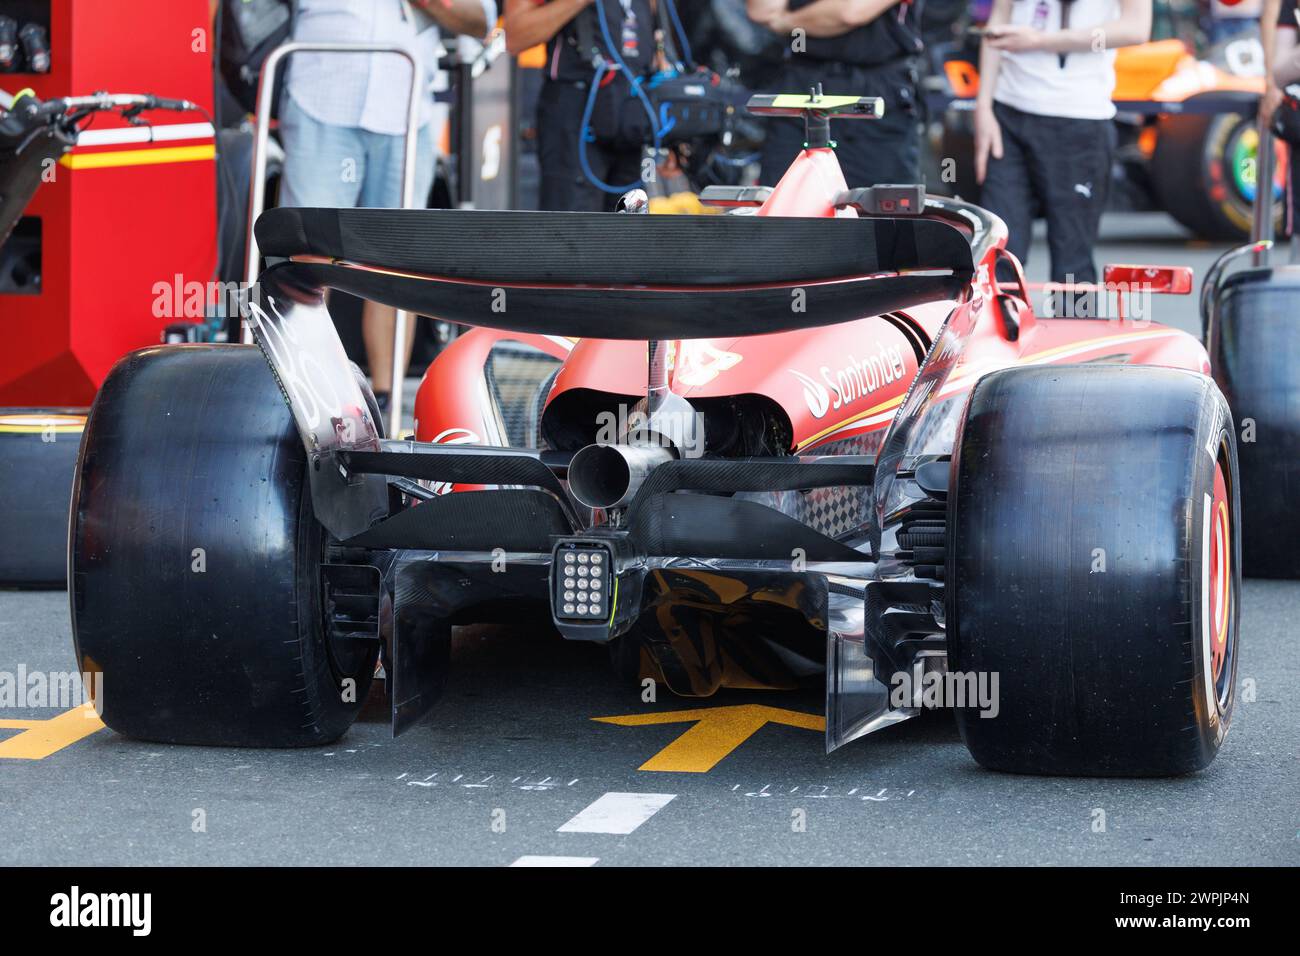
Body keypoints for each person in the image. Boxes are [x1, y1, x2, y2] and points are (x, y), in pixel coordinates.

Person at [279, 0, 494, 413]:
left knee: (394, 263)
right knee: (303, 256)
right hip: (320, 95)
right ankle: (293, 400)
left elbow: (481, 19)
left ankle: (385, 407)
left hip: (407, 104)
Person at [973, 0, 1150, 298]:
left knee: (1072, 267)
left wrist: (1041, 41)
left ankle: (1073, 341)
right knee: (998, 256)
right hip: (1008, 112)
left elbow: (1136, 29)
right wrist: (983, 105)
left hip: (1080, 118)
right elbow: (999, 20)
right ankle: (998, 341)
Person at [746, 0, 924, 189]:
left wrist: (785, 21)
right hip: (801, 84)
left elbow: (851, 12)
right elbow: (762, 10)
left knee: (879, 210)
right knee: (785, 207)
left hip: (875, 91)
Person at [504, 0, 660, 211]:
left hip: (631, 114)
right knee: (572, 234)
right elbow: (516, 35)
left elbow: (654, 41)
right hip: (574, 114)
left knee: (628, 235)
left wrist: (667, 136)